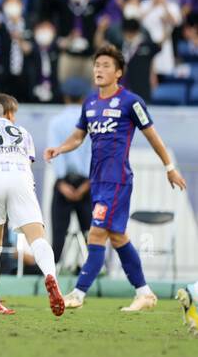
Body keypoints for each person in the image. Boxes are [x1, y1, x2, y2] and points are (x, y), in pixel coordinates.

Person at [44, 44, 187, 311]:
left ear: (119, 72)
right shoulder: (90, 102)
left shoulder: (131, 102)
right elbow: (78, 136)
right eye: (97, 65)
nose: (99, 70)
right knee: (118, 237)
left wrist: (169, 167)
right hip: (97, 180)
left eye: (106, 66)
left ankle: (77, 293)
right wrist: (60, 148)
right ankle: (144, 293)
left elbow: (152, 136)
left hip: (117, 179)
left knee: (96, 233)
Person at [0, 93, 64, 316]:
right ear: (7, 112)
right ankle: (50, 275)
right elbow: (28, 163)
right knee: (37, 237)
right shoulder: (23, 132)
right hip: (20, 179)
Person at [46, 95, 94, 263]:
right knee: (91, 237)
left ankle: (53, 276)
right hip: (86, 184)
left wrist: (61, 182)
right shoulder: (90, 121)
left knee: (58, 238)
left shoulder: (56, 122)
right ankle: (96, 274)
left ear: (66, 97)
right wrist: (86, 184)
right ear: (83, 99)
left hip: (63, 184)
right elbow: (92, 153)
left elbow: (55, 151)